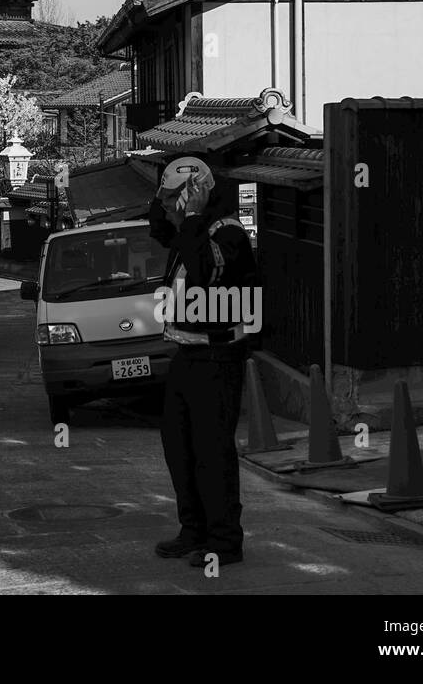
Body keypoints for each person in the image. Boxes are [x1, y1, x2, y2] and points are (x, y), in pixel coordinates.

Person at [147, 155, 258, 568]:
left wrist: (193, 215)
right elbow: (159, 228)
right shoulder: (185, 231)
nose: (173, 206)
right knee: (179, 449)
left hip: (218, 357)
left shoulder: (226, 233)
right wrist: (162, 194)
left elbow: (206, 271)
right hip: (187, 354)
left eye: (179, 197)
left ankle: (225, 541)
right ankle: (192, 530)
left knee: (213, 454)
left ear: (199, 192)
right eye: (170, 198)